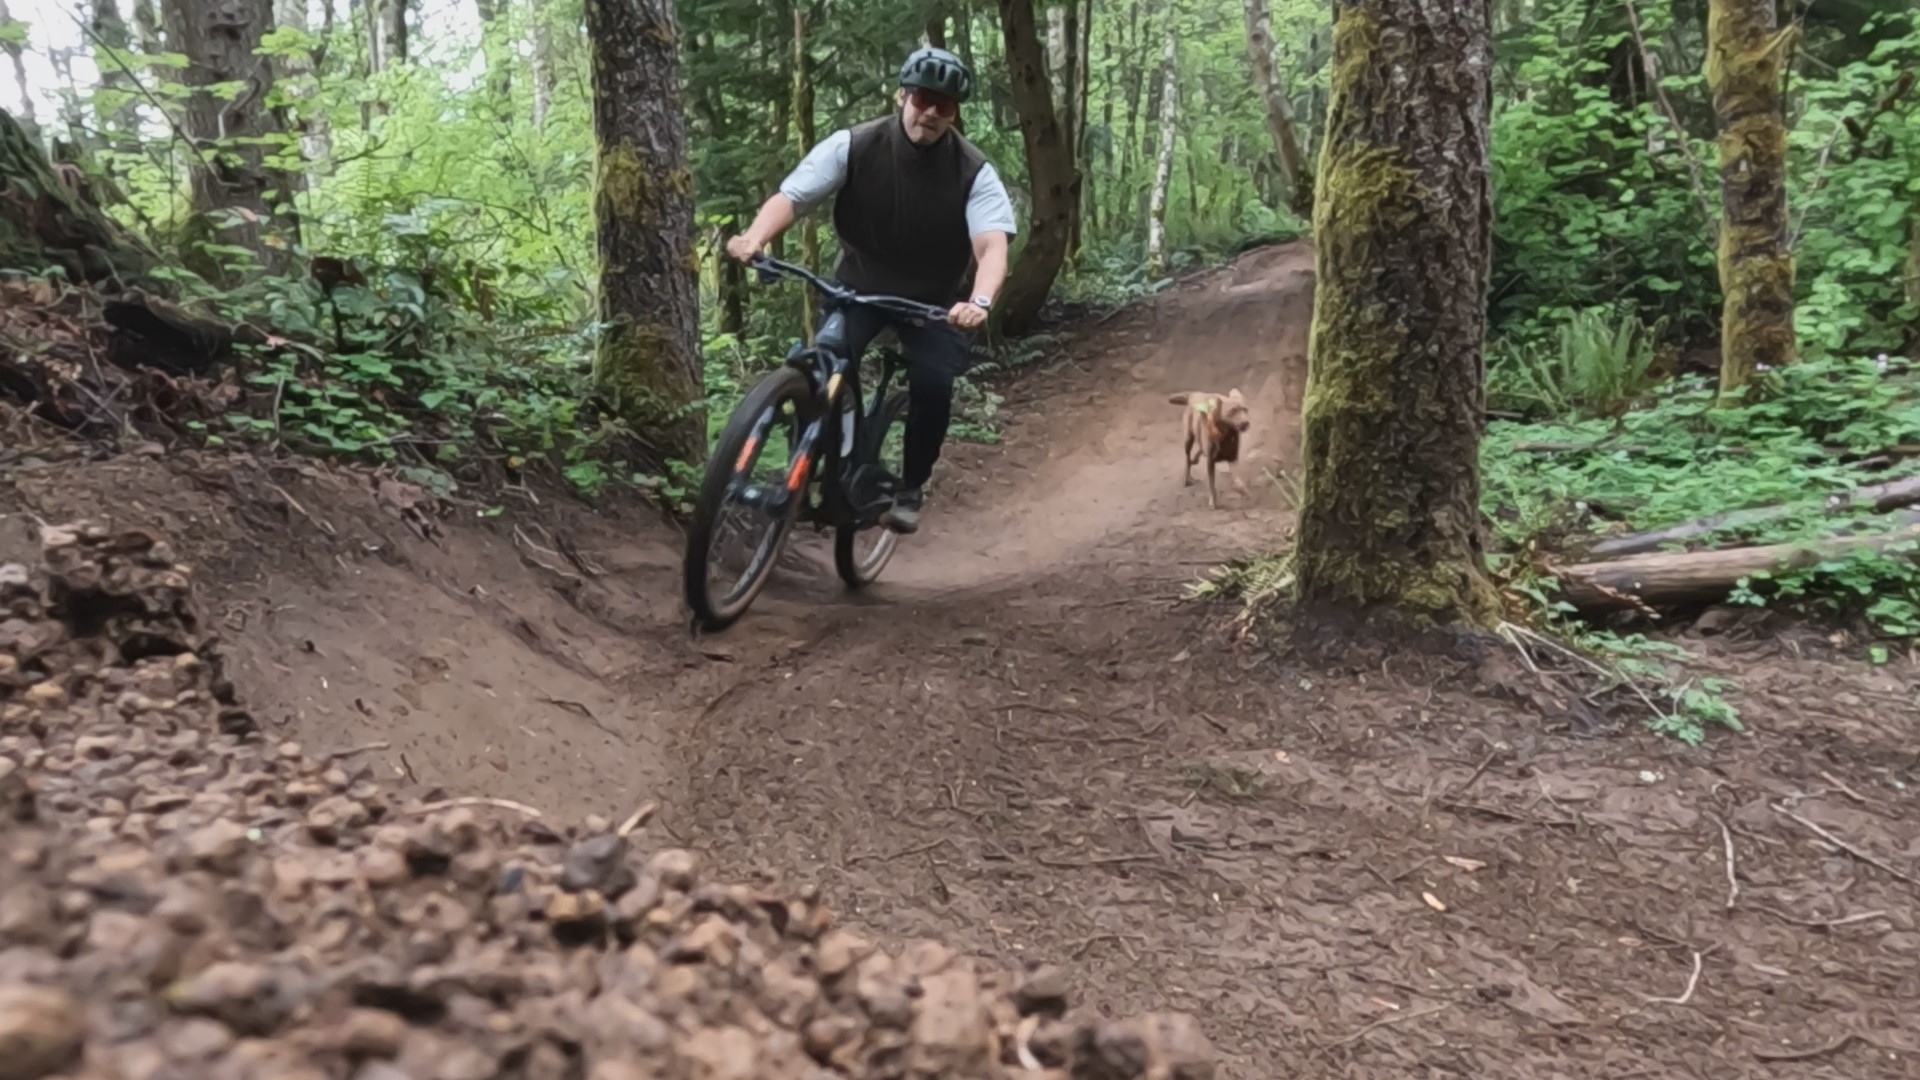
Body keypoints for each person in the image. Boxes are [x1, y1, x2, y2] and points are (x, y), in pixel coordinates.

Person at [725, 46, 1016, 535]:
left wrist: (979, 302)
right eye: (923, 98)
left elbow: (991, 248)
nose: (930, 112)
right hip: (858, 285)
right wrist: (755, 238)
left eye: (943, 105)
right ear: (903, 94)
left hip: (935, 301)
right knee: (826, 361)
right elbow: (792, 197)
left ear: (954, 113)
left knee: (931, 381)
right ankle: (821, 466)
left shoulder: (974, 171)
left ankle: (909, 486)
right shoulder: (855, 145)